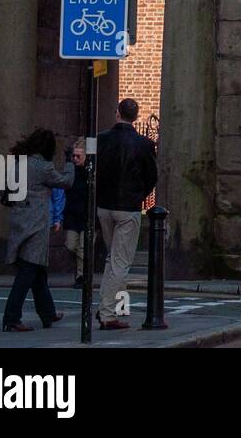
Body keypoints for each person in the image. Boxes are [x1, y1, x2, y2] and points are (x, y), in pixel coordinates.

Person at [1, 128, 75, 332]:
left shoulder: (18, 164)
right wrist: (69, 161)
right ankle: (11, 317)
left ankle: (47, 313)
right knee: (27, 272)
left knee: (37, 272)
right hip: (36, 225)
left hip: (19, 222)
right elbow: (66, 182)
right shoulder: (43, 167)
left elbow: (5, 193)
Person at [95, 98, 158, 330]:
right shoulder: (144, 144)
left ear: (117, 113)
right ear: (136, 116)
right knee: (120, 263)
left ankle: (103, 307)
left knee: (112, 259)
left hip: (104, 206)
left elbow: (93, 170)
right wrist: (140, 195)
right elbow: (152, 176)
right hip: (128, 207)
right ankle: (108, 314)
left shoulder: (101, 139)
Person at [61, 139, 88, 288]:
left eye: (79, 156)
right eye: (74, 156)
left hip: (87, 214)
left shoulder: (90, 171)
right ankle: (81, 272)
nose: (75, 159)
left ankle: (81, 276)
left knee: (84, 249)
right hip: (72, 213)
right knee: (71, 245)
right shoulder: (71, 170)